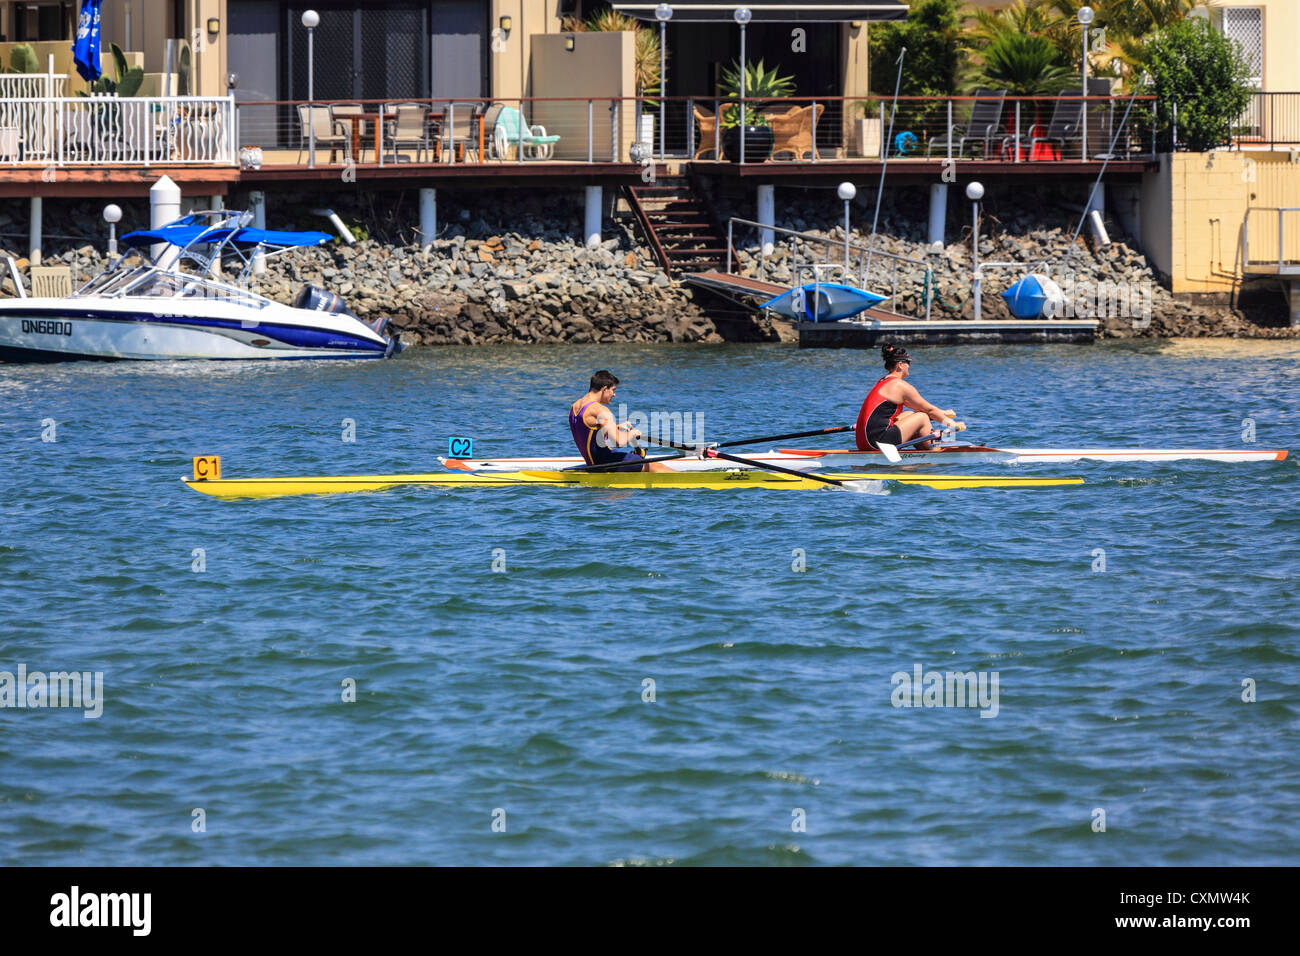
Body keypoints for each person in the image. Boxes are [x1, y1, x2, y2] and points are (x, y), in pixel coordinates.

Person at [854, 345, 957, 452]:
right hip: (878, 443)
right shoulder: (900, 385)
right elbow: (929, 411)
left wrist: (942, 413)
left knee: (909, 414)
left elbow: (922, 408)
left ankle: (925, 447)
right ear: (900, 365)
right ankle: (934, 449)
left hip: (864, 443)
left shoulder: (883, 382)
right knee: (922, 417)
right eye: (908, 363)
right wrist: (951, 425)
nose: (909, 366)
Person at [569, 370, 675, 472]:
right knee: (656, 467)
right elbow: (618, 442)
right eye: (613, 390)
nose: (614, 394)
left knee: (634, 461)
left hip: (593, 463)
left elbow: (588, 431)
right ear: (604, 389)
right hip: (606, 462)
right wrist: (632, 433)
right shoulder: (601, 411)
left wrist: (617, 426)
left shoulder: (575, 406)